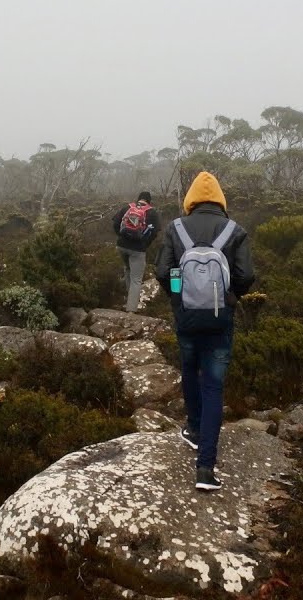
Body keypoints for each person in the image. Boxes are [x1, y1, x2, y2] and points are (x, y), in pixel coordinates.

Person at [155, 171, 254, 492]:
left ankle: (194, 430)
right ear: (220, 200)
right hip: (220, 320)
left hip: (185, 318)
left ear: (191, 200)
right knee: (213, 385)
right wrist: (227, 298)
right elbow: (246, 276)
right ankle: (205, 469)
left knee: (188, 368)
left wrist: (178, 295)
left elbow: (163, 270)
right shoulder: (235, 231)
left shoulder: (176, 228)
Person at [112, 191, 161, 313]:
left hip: (121, 247)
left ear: (138, 199)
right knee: (136, 279)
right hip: (138, 250)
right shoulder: (152, 213)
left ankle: (128, 301)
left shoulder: (128, 207)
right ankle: (131, 310)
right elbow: (155, 232)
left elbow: (115, 223)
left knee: (128, 269)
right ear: (149, 201)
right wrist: (145, 243)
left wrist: (122, 237)